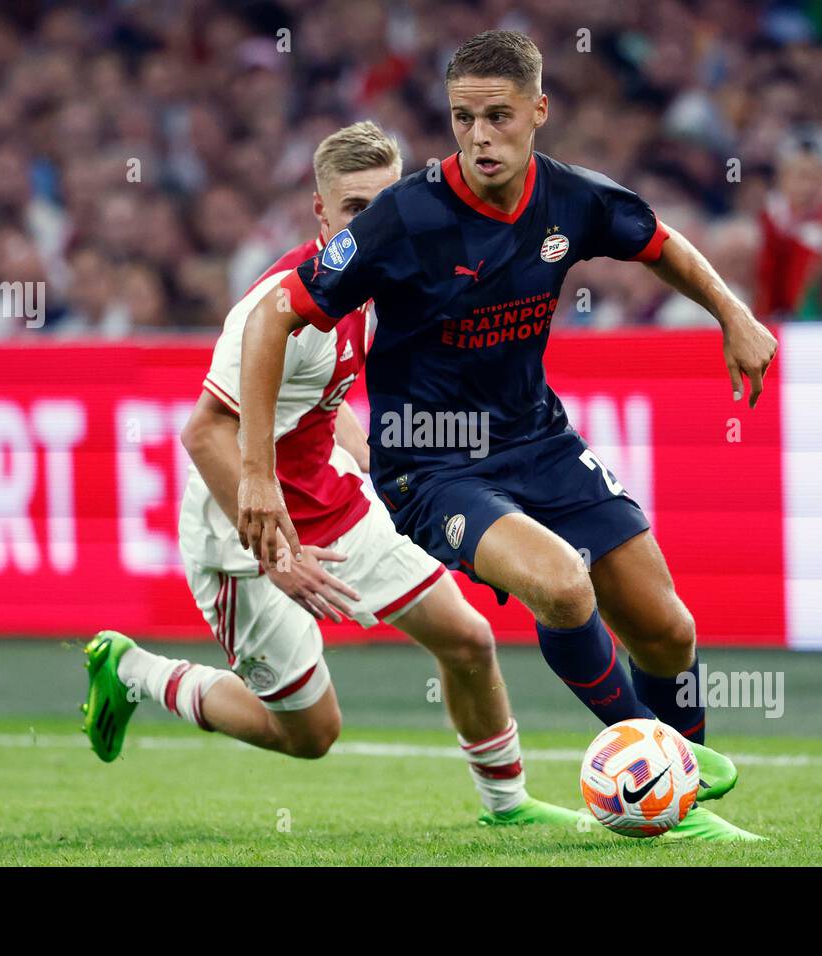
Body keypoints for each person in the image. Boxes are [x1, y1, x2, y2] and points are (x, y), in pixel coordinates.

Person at [236, 32, 775, 841]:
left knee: (668, 629)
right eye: (462, 119)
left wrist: (733, 314)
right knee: (561, 585)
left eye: (497, 116)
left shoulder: (574, 199)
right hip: (431, 463)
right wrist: (255, 472)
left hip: (539, 441)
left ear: (538, 112)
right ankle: (666, 771)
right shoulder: (405, 217)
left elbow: (659, 242)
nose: (480, 136)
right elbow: (276, 315)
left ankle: (681, 792)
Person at [81, 121, 579, 827]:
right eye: (354, 209)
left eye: (386, 203)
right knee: (311, 735)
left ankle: (509, 808)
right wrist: (275, 552)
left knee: (467, 639)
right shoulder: (280, 307)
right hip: (241, 531)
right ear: (321, 213)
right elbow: (204, 432)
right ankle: (133, 673)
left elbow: (325, 397)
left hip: (335, 500)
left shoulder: (381, 285)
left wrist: (380, 459)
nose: (373, 223)